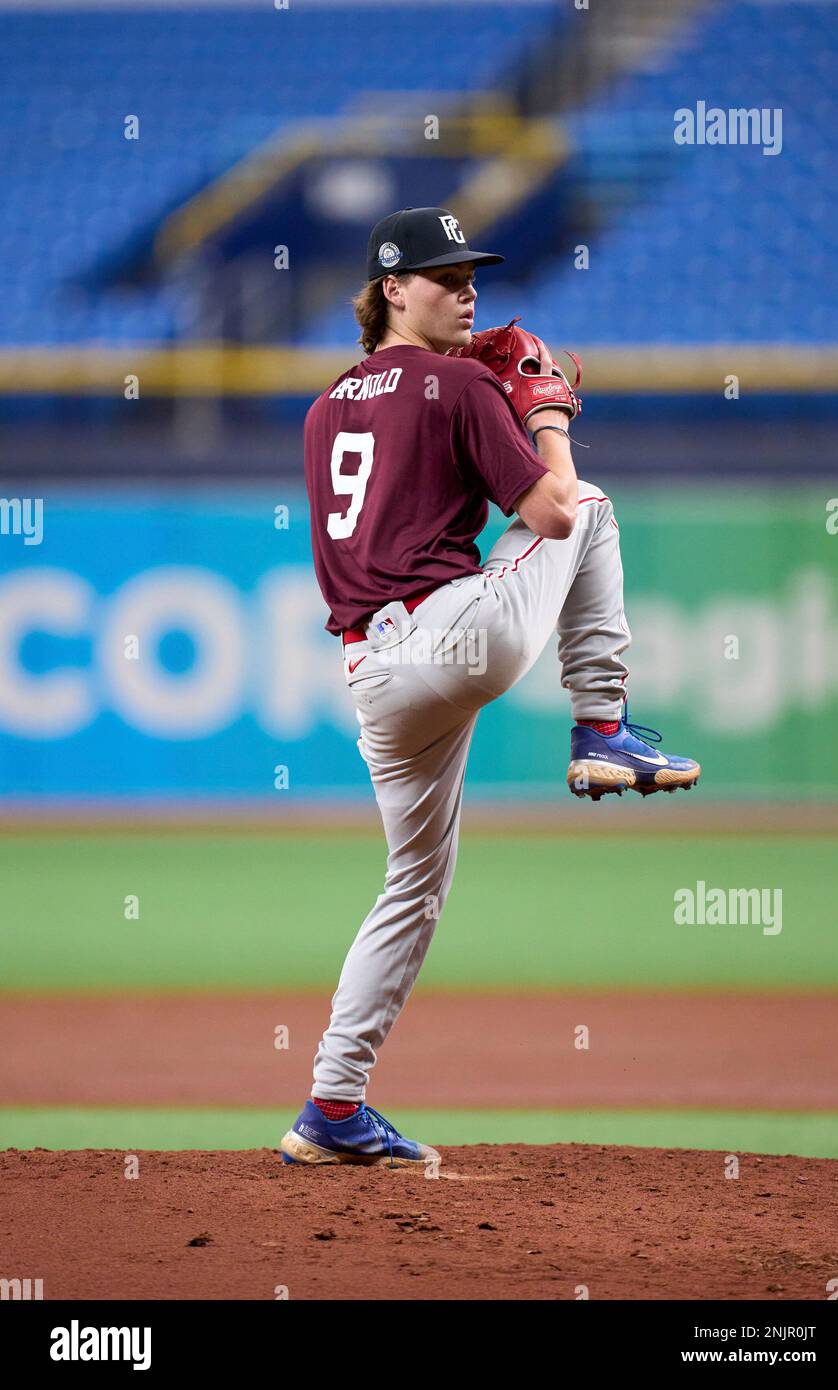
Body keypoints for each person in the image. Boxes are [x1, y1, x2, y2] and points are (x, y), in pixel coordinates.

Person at [280, 207, 699, 1169]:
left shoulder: (323, 407)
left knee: (413, 884)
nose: (467, 289)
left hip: (372, 674)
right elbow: (550, 513)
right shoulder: (456, 381)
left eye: (472, 273)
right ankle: (601, 724)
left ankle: (332, 1108)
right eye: (443, 275)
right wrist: (545, 412)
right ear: (391, 287)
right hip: (449, 636)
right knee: (588, 502)